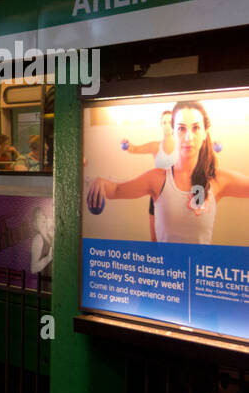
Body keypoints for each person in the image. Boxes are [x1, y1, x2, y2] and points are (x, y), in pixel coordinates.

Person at [87, 100, 249, 244]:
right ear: (174, 131)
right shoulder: (157, 178)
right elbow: (116, 189)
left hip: (199, 275)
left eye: (196, 128)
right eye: (181, 128)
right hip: (167, 275)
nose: (188, 137)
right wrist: (101, 182)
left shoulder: (218, 180)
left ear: (205, 133)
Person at [122, 110, 177, 242]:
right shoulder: (155, 146)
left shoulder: (183, 146)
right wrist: (127, 144)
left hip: (176, 198)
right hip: (157, 196)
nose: (167, 125)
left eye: (170, 122)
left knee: (176, 238)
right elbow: (135, 149)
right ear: (161, 124)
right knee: (155, 240)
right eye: (164, 122)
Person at [28, 207, 53, 275]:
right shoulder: (38, 239)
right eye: (38, 217)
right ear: (35, 224)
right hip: (46, 281)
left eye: (43, 215)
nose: (42, 217)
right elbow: (33, 268)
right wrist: (49, 257)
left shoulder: (51, 235)